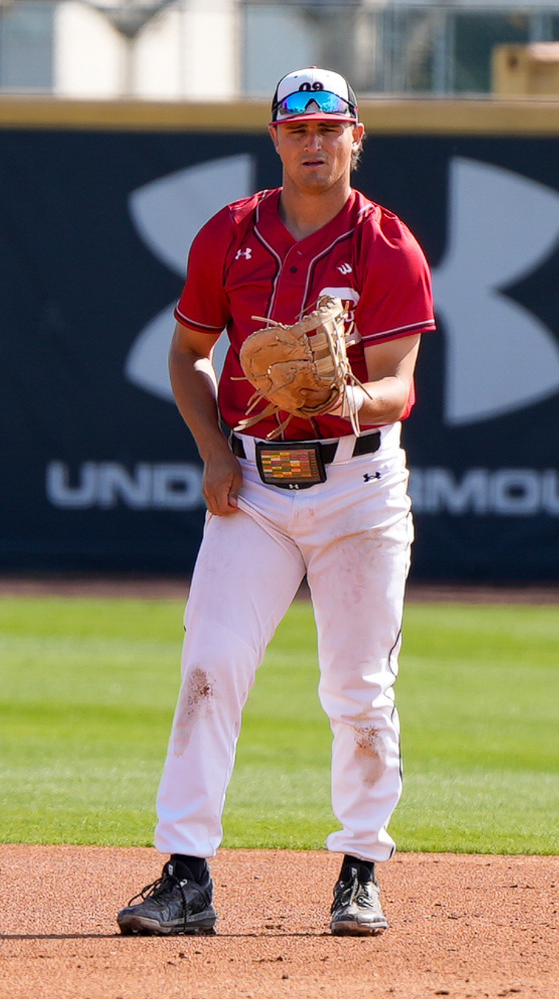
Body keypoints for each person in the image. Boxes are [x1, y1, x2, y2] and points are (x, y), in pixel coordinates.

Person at [116, 67, 435, 938]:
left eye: (331, 127)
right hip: (253, 485)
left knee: (359, 688)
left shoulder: (387, 243)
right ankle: (186, 876)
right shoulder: (230, 234)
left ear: (356, 139)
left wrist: (343, 393)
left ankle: (361, 868)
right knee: (209, 667)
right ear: (277, 140)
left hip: (357, 487)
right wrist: (213, 452)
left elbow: (400, 387)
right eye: (299, 128)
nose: (315, 141)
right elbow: (186, 357)